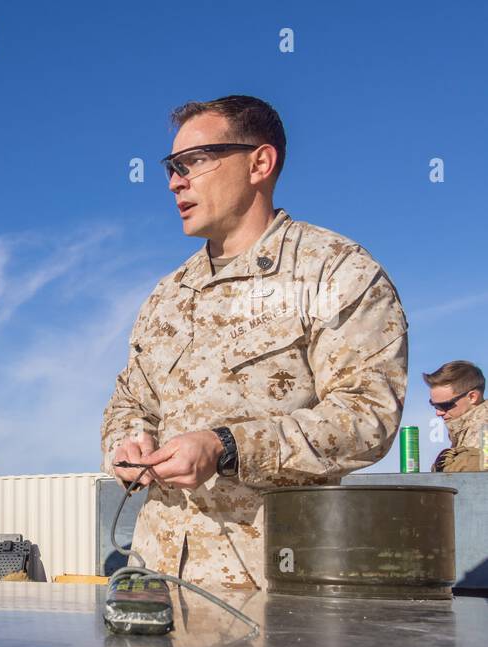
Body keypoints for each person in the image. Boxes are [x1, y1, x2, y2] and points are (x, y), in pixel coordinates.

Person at [101, 95, 408, 589]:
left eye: (193, 162)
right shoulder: (166, 296)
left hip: (272, 586)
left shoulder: (334, 271)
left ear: (259, 163)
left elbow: (367, 417)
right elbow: (130, 401)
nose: (175, 181)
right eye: (171, 168)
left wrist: (226, 447)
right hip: (156, 582)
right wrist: (127, 443)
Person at [426, 360, 487, 472]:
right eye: (434, 405)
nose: (438, 413)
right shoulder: (466, 428)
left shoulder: (484, 429)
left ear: (472, 397)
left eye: (445, 405)